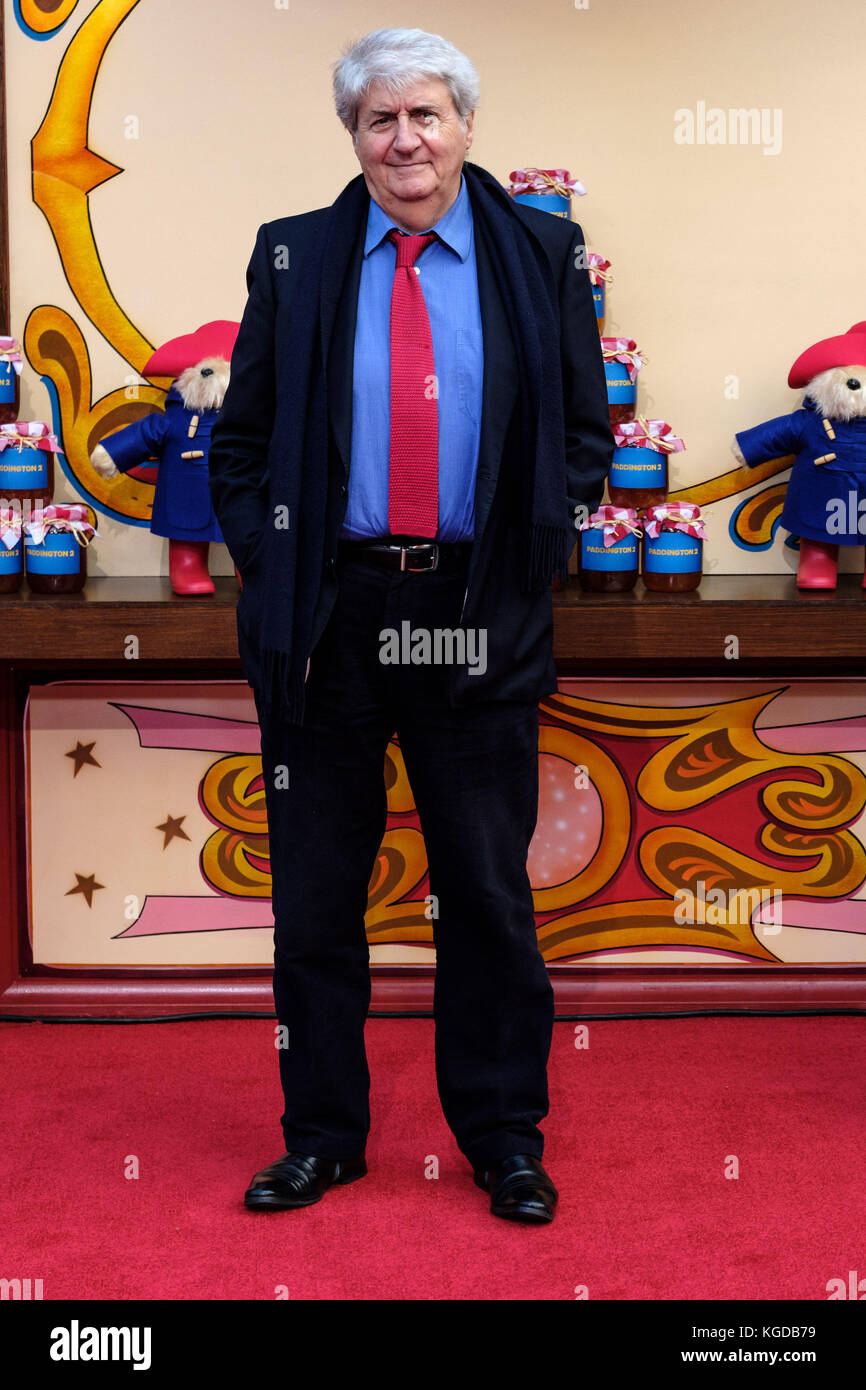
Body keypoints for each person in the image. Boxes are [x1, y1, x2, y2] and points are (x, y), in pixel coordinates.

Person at [208, 26, 614, 1224]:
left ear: (466, 126)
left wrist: (526, 542)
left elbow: (583, 436)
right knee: (314, 901)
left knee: (486, 893)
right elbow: (241, 445)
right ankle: (323, 1137)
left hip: (471, 609)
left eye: (426, 115)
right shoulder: (295, 256)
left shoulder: (539, 251)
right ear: (353, 136)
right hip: (328, 614)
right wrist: (271, 558)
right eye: (379, 120)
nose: (405, 140)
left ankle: (502, 1138)